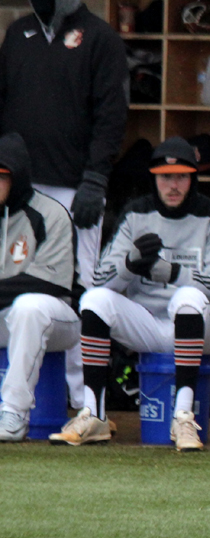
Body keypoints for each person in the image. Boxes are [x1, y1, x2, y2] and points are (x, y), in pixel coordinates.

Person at [48, 137, 210, 452]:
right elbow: (100, 283)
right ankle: (93, 413)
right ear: (154, 178)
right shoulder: (135, 214)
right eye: (165, 177)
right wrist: (129, 266)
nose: (174, 185)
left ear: (193, 178)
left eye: (182, 176)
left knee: (188, 297)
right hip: (147, 325)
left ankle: (183, 417)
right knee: (94, 301)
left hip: (203, 327)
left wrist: (174, 273)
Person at [0, 0, 128, 412]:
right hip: (17, 186)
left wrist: (97, 177)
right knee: (14, 280)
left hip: (77, 187)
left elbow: (112, 113)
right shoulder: (17, 35)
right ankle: (24, 393)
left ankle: (85, 398)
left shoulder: (101, 38)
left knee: (82, 289)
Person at [0, 133, 80, 442]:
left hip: (57, 318)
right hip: (7, 318)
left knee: (29, 306)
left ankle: (14, 414)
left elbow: (49, 282)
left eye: (2, 177)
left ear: (17, 177)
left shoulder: (51, 213)